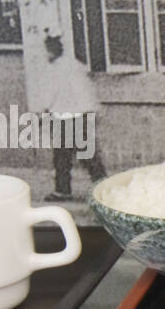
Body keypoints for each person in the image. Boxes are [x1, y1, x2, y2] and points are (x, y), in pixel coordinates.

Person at [28, 32, 106, 201]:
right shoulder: (75, 65)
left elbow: (48, 95)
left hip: (66, 118)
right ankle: (103, 186)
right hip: (83, 114)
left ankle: (64, 189)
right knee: (87, 154)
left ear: (50, 51)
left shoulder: (54, 69)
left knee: (62, 157)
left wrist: (41, 113)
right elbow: (88, 89)